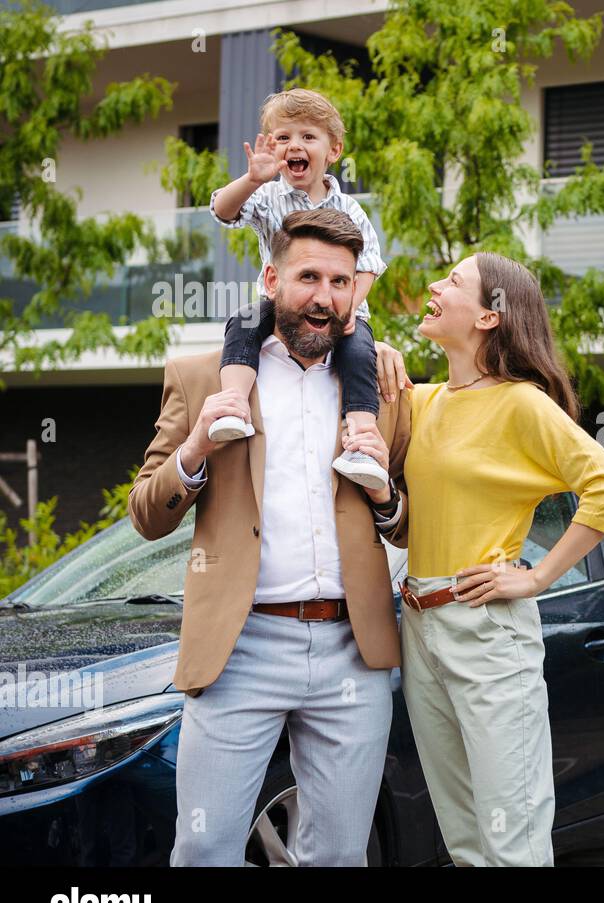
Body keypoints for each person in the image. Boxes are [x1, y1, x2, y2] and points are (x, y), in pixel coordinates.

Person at [129, 208, 410, 866]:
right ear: (270, 277)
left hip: (353, 650)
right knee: (203, 846)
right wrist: (197, 445)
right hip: (241, 647)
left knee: (340, 853)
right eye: (308, 276)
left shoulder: (385, 388)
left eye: (341, 281)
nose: (324, 296)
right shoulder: (203, 376)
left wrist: (384, 494)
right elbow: (147, 513)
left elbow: (410, 524)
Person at [373, 252, 604, 866]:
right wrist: (377, 351)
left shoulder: (521, 404)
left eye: (454, 281)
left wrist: (538, 576)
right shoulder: (426, 401)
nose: (434, 287)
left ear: (491, 316)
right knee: (465, 841)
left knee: (511, 838)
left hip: (487, 633)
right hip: (418, 623)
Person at [207, 88, 389, 490]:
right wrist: (253, 178)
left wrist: (348, 311)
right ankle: (234, 403)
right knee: (244, 321)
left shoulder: (350, 209)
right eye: (284, 137)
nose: (295, 146)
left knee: (360, 352)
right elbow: (223, 210)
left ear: (334, 150)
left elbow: (370, 266)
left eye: (308, 137)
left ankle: (360, 435)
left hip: (342, 310)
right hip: (281, 306)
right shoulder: (267, 194)